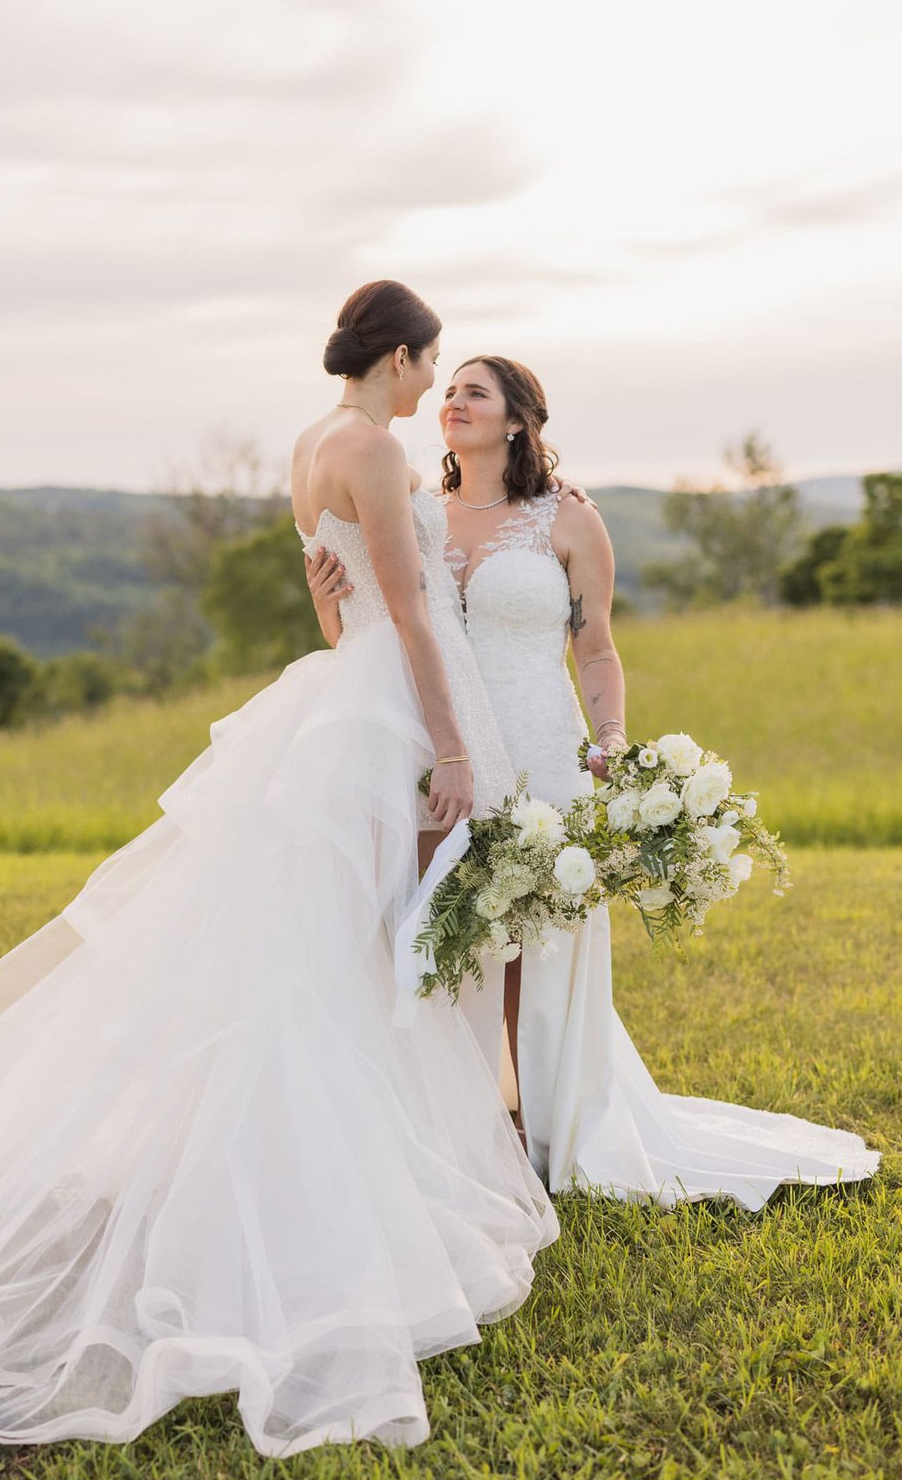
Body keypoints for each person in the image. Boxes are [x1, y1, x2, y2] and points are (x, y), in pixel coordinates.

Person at [0, 286, 557, 1458]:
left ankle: (288, 1171)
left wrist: (369, 651)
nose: (434, 384)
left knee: (322, 945)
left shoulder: (307, 443)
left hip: (341, 695)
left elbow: (343, 611)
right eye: (430, 363)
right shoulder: (375, 452)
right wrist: (449, 746)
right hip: (386, 713)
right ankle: (300, 1202)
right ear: (398, 355)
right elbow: (411, 617)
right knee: (339, 955)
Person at [307, 354, 878, 1210]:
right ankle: (463, 1130)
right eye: (449, 389)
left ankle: (547, 1125)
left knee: (538, 951)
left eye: (475, 393)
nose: (453, 403)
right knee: (448, 939)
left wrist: (610, 734)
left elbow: (596, 646)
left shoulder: (568, 521)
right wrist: (326, 599)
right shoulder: (416, 513)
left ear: (516, 421)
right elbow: (367, 632)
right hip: (443, 750)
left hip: (540, 745)